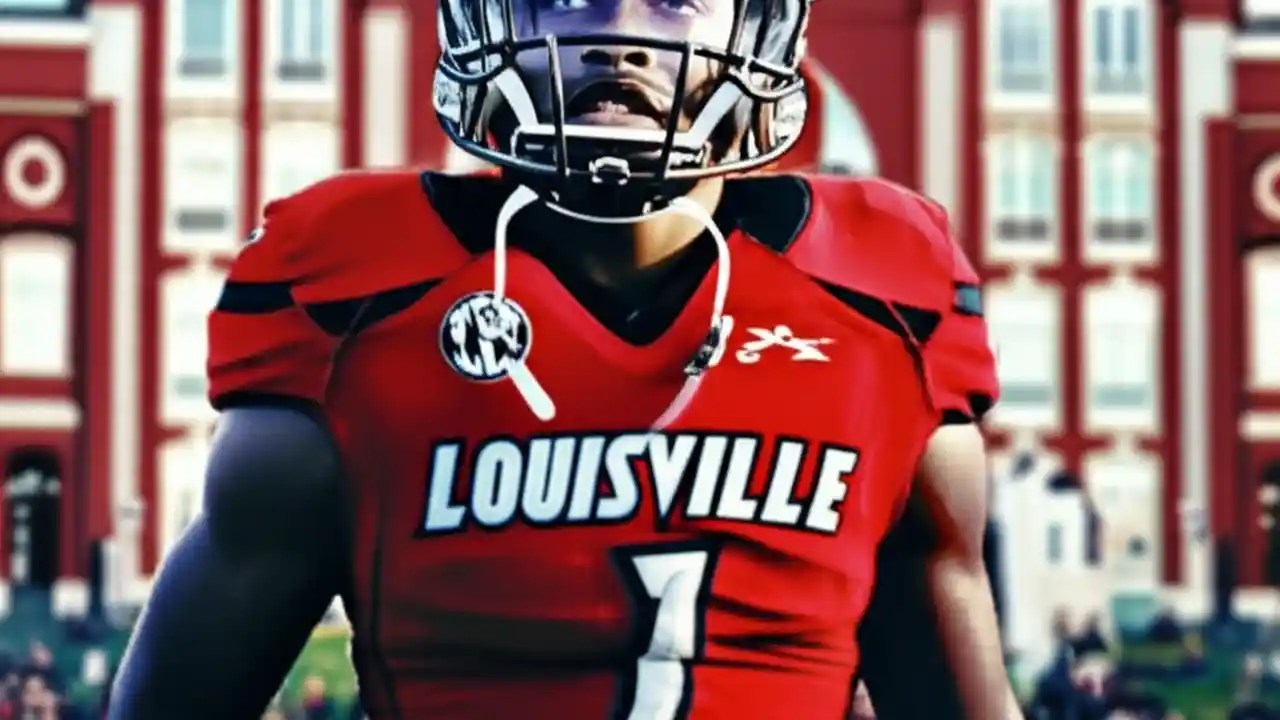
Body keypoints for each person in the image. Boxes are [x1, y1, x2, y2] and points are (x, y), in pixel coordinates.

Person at [107, 0, 1017, 718]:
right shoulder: (351, 302)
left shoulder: (886, 300)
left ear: (760, 23)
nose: (615, 34)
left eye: (672, 0)